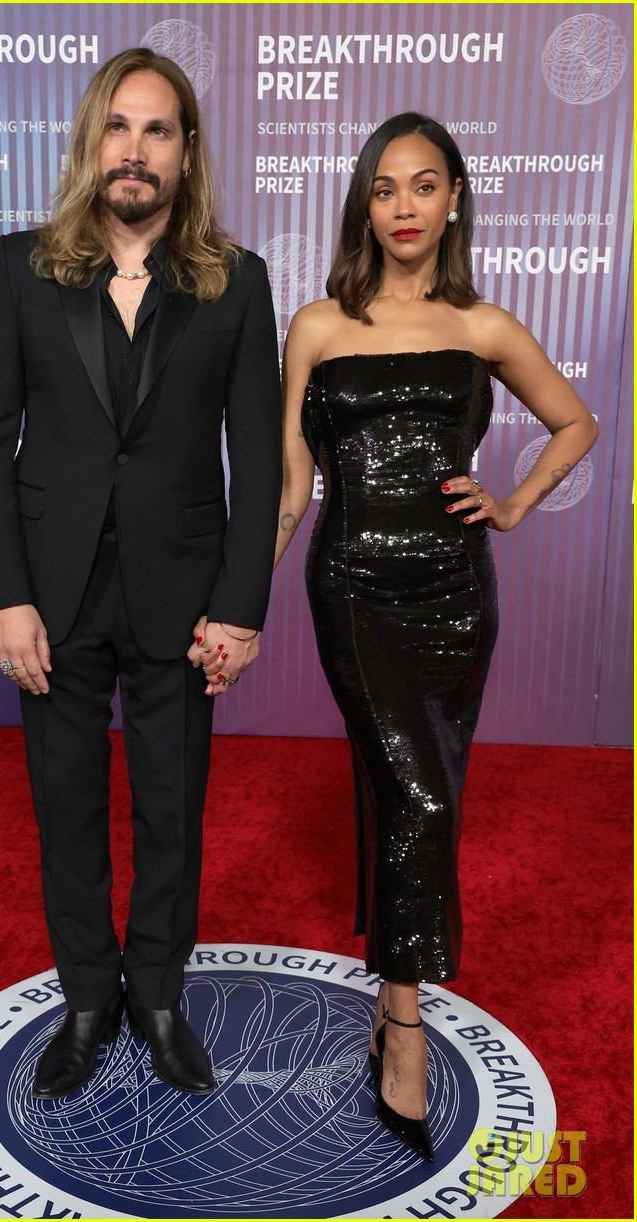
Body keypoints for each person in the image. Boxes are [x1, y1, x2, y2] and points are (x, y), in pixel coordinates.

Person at [274, 112, 597, 1162]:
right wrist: (233, 600)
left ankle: (392, 1004)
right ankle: (405, 1025)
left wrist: (511, 502)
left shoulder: (487, 326)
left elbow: (576, 420)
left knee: (430, 788)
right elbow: (292, 487)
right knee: (414, 787)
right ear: (363, 204)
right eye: (385, 188)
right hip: (355, 588)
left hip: (458, 593)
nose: (404, 206)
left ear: (454, 197)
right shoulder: (317, 325)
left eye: (424, 185)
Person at [0, 47, 282, 1101]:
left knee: (172, 806)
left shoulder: (235, 282)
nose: (135, 150)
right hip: (50, 594)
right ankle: (89, 1000)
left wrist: (240, 609)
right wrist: (6, 593)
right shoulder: (21, 267)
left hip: (182, 594)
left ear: (187, 155)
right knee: (64, 806)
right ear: (91, 141)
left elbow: (259, 458)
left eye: (159, 131)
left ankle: (157, 996)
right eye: (119, 127)